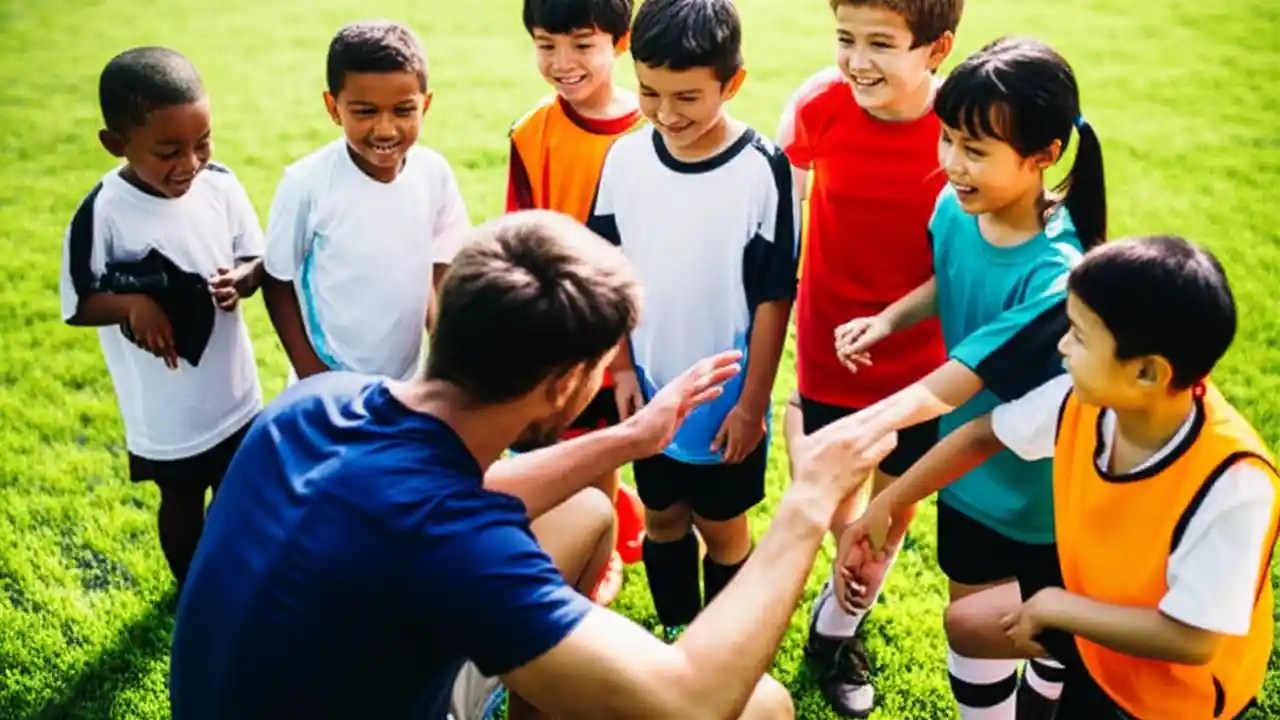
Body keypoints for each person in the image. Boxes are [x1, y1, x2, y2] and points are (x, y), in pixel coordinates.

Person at [169, 210, 897, 720]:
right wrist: (805, 505)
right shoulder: (452, 546)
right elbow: (686, 701)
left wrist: (629, 438)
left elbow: (444, 497)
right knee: (762, 707)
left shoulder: (320, 402)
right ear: (561, 386)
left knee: (583, 512)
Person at [839, 235, 1278, 719]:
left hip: (1169, 697)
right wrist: (887, 503)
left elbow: (1191, 639)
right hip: (1094, 633)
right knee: (968, 622)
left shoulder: (1233, 482)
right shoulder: (1080, 400)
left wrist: (1057, 608)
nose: (1062, 346)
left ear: (1149, 374)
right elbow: (982, 437)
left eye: (1080, 336)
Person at [813, 36, 1108, 719]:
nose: (950, 164)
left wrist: (859, 428)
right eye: (947, 140)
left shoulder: (1056, 273)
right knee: (971, 617)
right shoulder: (956, 205)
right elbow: (946, 279)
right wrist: (888, 320)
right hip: (962, 470)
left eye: (974, 150)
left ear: (1044, 156)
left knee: (1046, 635)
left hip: (1042, 491)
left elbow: (954, 382)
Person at [587, 0, 797, 641]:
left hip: (727, 399)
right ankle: (678, 631)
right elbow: (607, 271)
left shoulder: (763, 168)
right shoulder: (625, 160)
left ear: (732, 83)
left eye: (688, 96)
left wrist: (752, 403)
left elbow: (772, 295)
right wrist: (621, 367)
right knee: (661, 517)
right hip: (649, 388)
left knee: (724, 528)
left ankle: (723, 643)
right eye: (650, 92)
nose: (667, 113)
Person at [775, 0, 962, 713]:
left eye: (880, 43)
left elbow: (972, 255)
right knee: (832, 496)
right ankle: (842, 566)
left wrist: (892, 323)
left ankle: (835, 632)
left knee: (894, 503)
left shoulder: (963, 126)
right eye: (845, 38)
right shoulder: (819, 103)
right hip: (829, 347)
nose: (856, 60)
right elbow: (779, 227)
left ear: (936, 47)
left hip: (921, 356)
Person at [59, 47, 263, 588]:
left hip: (234, 388)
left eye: (202, 143)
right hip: (170, 407)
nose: (190, 163)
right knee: (180, 498)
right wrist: (131, 304)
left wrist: (244, 277)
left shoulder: (219, 184)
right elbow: (78, 301)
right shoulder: (104, 210)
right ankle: (191, 591)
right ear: (116, 142)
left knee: (238, 489)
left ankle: (232, 578)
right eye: (169, 151)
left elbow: (255, 254)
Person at [508, 0, 647, 605]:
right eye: (546, 44)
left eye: (581, 44)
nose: (562, 62)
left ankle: (609, 542)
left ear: (620, 42)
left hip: (639, 324)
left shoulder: (654, 127)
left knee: (610, 448)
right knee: (564, 442)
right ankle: (581, 547)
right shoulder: (531, 132)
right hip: (561, 325)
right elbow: (520, 233)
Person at [261, 20, 470, 383]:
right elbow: (277, 281)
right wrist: (313, 374)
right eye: (365, 112)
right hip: (329, 378)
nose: (385, 129)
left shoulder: (433, 173)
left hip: (407, 380)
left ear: (426, 104)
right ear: (333, 107)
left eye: (403, 110)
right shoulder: (306, 184)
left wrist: (445, 358)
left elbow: (443, 267)